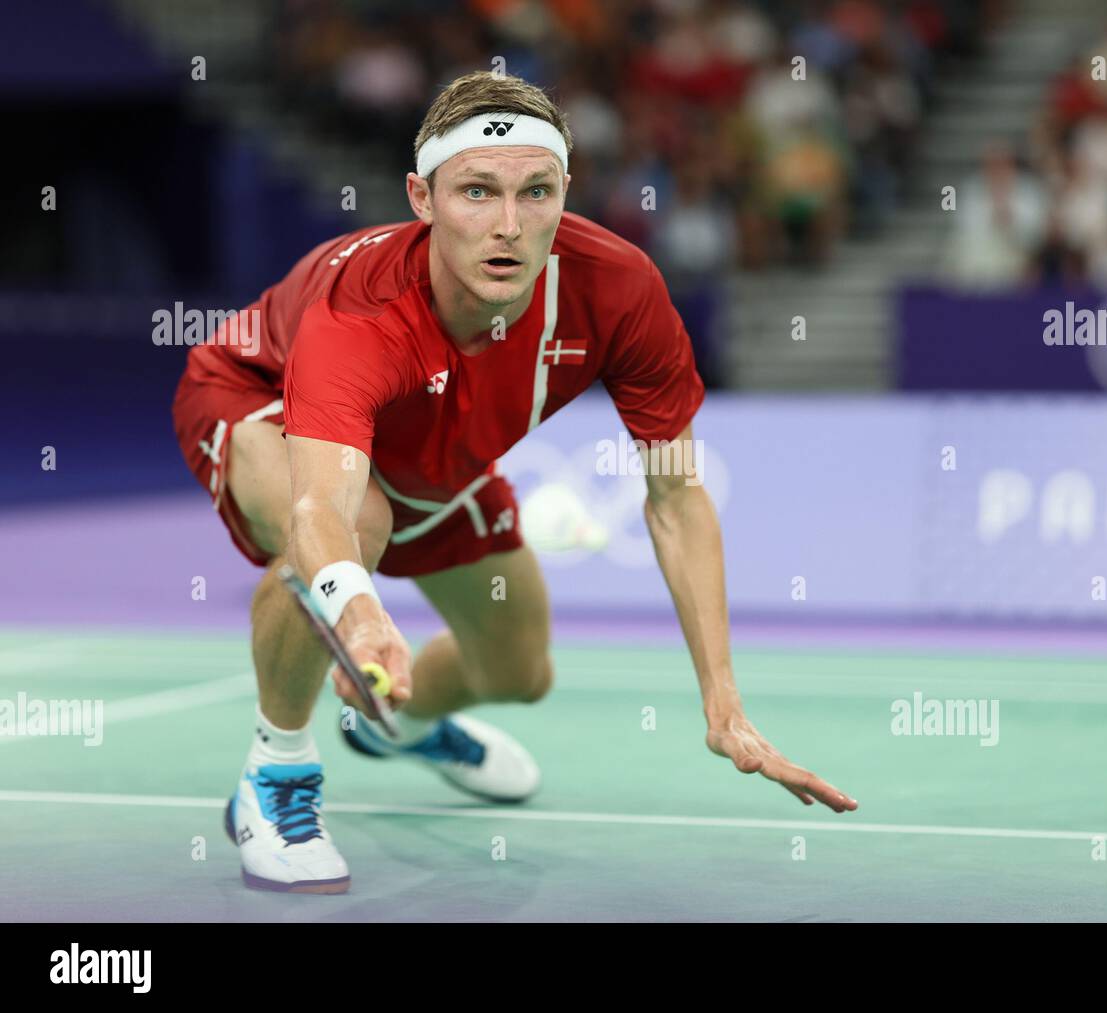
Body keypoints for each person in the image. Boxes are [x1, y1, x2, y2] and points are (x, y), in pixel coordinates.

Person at [172, 70, 858, 894]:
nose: (507, 226)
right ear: (421, 199)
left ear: (567, 191)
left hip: (441, 450)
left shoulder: (620, 290)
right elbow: (320, 504)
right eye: (476, 192)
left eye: (536, 192)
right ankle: (276, 774)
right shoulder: (361, 312)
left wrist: (723, 701)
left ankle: (398, 722)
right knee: (356, 531)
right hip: (258, 396)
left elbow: (675, 493)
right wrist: (356, 610)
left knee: (520, 670)